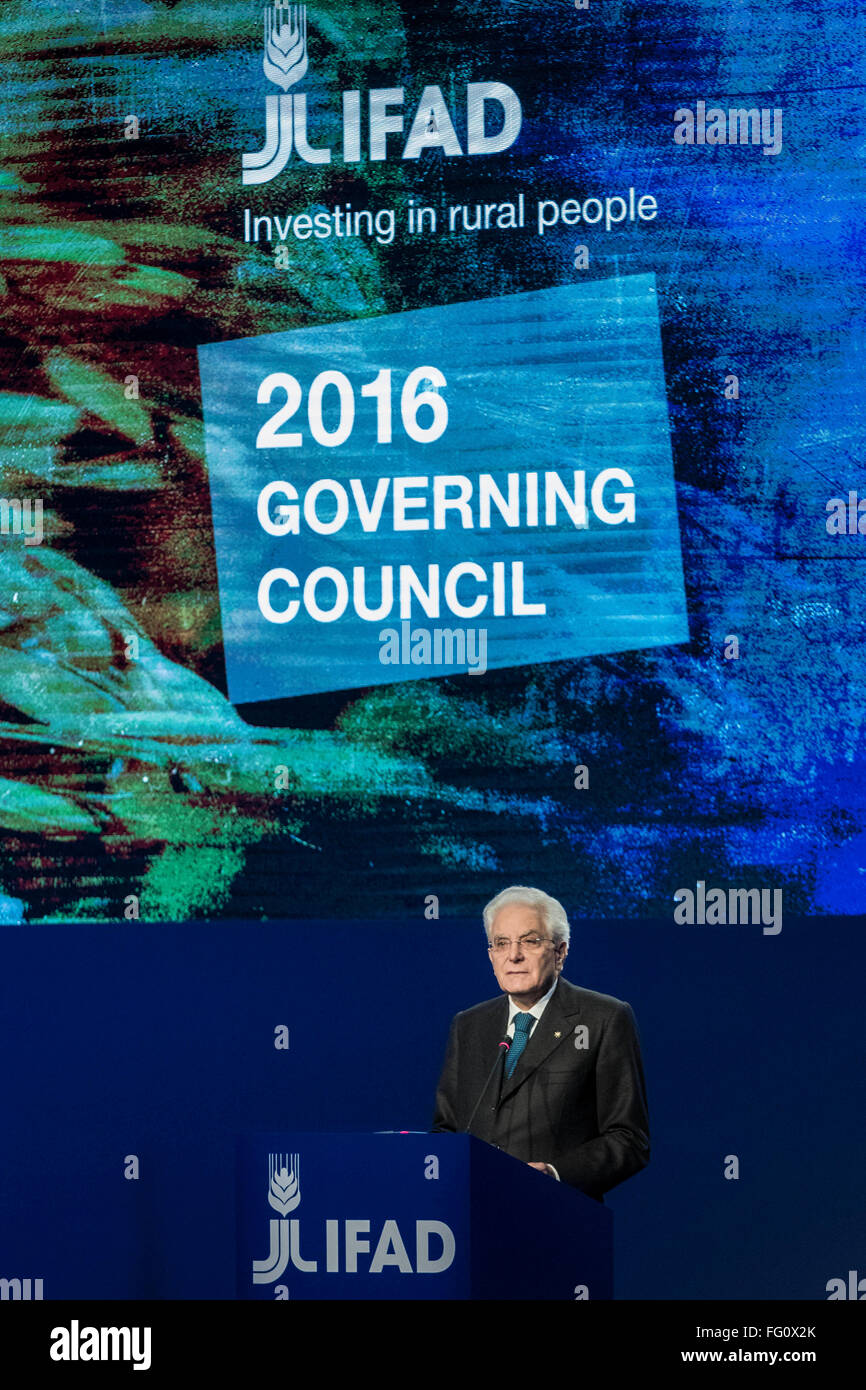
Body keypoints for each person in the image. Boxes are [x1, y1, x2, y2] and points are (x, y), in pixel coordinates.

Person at [431, 885, 649, 1199]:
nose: (514, 955)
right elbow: (446, 1131)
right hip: (473, 1217)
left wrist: (556, 1174)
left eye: (530, 941)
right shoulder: (468, 1025)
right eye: (501, 943)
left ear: (560, 952)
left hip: (558, 1217)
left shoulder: (604, 1018)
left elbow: (629, 1138)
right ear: (491, 955)